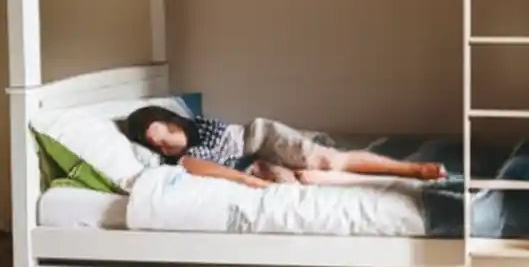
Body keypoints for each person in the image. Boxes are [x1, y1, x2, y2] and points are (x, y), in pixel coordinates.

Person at [125, 106, 448, 189]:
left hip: (258, 139)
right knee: (308, 183)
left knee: (322, 161)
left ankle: (410, 170)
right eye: (159, 143)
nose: (168, 141)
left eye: (167, 130)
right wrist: (253, 179)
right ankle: (394, 180)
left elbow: (242, 147)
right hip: (251, 164)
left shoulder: (196, 125)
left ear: (170, 120)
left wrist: (250, 178)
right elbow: (227, 173)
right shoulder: (182, 162)